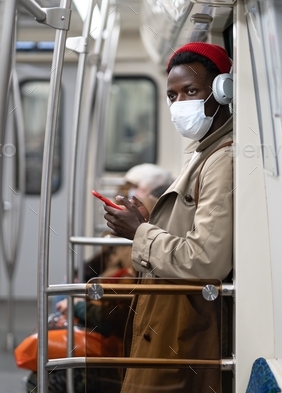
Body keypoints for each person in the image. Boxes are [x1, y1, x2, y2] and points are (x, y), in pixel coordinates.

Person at [103, 42, 233, 392]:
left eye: (191, 91)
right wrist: (146, 221)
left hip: (187, 325)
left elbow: (205, 260)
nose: (180, 104)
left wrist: (141, 232)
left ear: (222, 91)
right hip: (170, 318)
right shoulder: (203, 154)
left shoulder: (223, 159)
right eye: (173, 95)